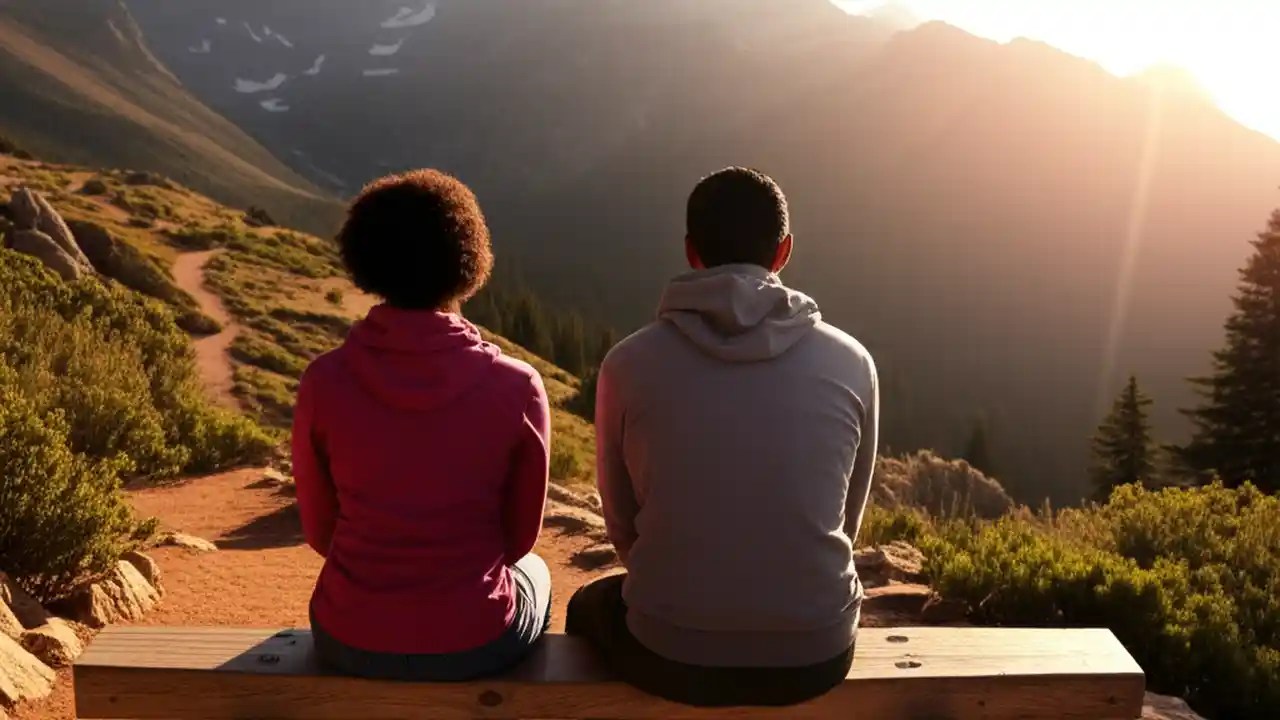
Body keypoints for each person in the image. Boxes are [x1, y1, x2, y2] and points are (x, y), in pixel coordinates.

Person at [566, 167, 879, 706]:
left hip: (670, 652)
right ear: (783, 252)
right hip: (817, 652)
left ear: (691, 252)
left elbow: (622, 527)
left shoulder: (627, 364)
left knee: (586, 607)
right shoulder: (852, 362)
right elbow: (846, 521)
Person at [292, 169, 552, 681]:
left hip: (349, 636)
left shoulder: (323, 381)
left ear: (364, 259)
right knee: (537, 571)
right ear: (469, 259)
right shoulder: (517, 386)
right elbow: (518, 542)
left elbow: (321, 532)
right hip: (476, 638)